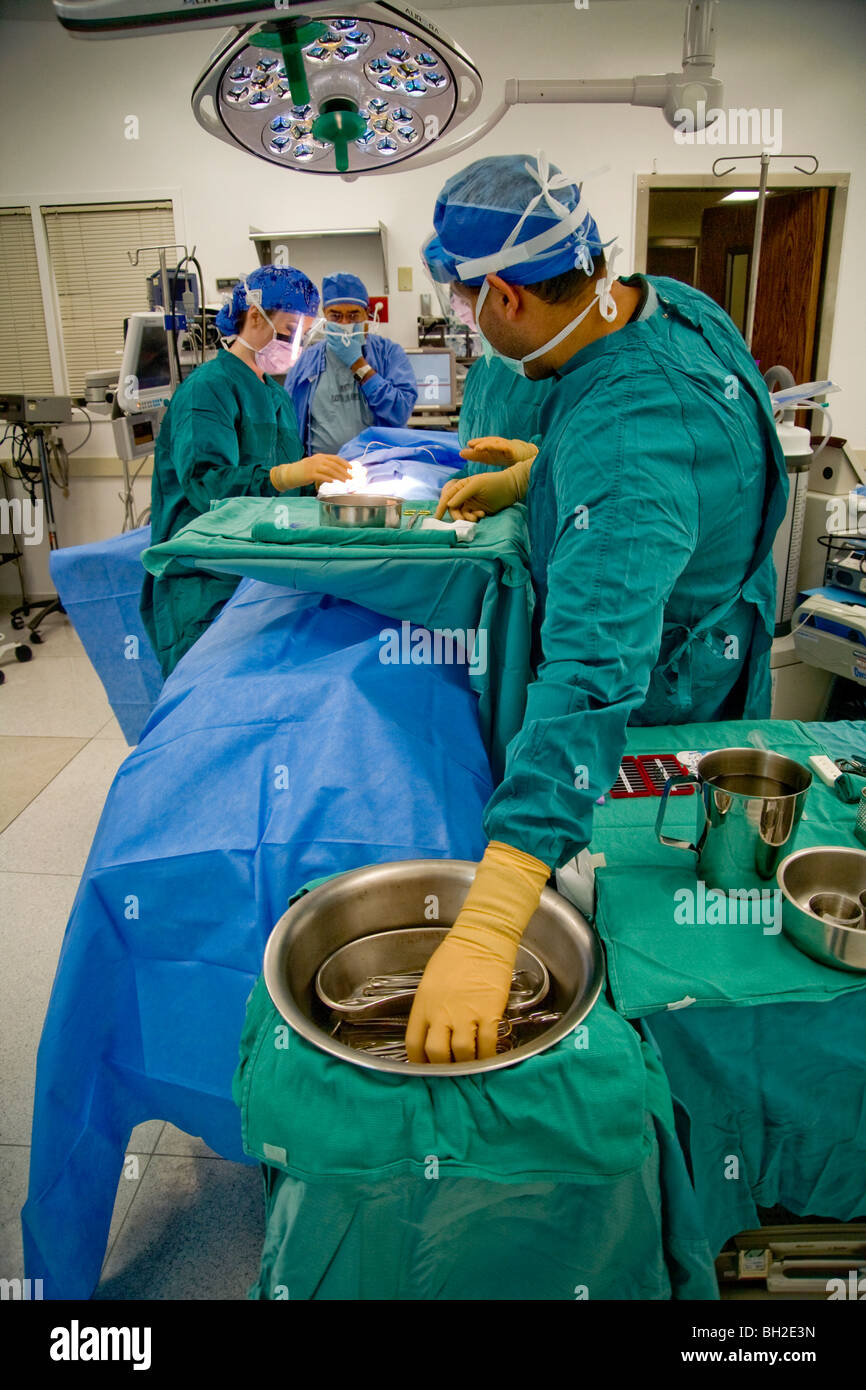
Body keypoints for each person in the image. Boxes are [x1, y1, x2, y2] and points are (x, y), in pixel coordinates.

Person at [405, 152, 787, 1065]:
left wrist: (496, 916)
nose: (467, 318)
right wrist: (542, 478)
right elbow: (703, 466)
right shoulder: (675, 303)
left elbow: (588, 677)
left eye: (462, 301)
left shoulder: (623, 441)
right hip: (722, 628)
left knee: (663, 933)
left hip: (665, 697)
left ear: (501, 294)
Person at [141, 265, 349, 677]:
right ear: (255, 317)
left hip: (256, 566)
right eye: (289, 331)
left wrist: (330, 489)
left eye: (301, 335)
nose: (295, 345)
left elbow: (287, 481)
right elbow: (207, 484)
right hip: (204, 575)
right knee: (206, 692)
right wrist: (289, 475)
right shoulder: (208, 388)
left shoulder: (272, 391)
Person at [284, 272, 418, 454]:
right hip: (322, 473)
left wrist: (359, 364)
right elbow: (289, 424)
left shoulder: (388, 354)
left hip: (379, 468)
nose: (345, 323)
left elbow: (399, 411)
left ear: (367, 315)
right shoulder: (307, 361)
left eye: (354, 316)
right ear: (324, 316)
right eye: (336, 316)